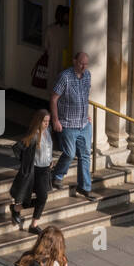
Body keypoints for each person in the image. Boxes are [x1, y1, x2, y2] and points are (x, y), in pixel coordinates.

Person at [49, 51, 94, 200]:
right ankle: (57, 175)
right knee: (69, 153)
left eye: (86, 64)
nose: (84, 67)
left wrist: (85, 113)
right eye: (81, 63)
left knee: (85, 154)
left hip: (83, 124)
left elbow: (85, 96)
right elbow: (54, 99)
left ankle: (84, 187)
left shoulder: (87, 75)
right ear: (74, 61)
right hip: (67, 123)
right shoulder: (65, 77)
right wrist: (55, 120)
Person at [8, 109, 53, 233]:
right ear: (38, 121)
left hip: (45, 170)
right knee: (41, 198)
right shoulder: (34, 135)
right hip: (35, 171)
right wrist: (26, 161)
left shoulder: (48, 132)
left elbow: (48, 147)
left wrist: (50, 159)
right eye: (44, 121)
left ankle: (17, 209)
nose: (46, 124)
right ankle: (32, 225)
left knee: (42, 198)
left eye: (48, 121)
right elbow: (17, 148)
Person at [44, 4, 70, 94]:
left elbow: (46, 47)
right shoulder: (68, 30)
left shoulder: (49, 29)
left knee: (52, 85)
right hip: (65, 62)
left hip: (52, 61)